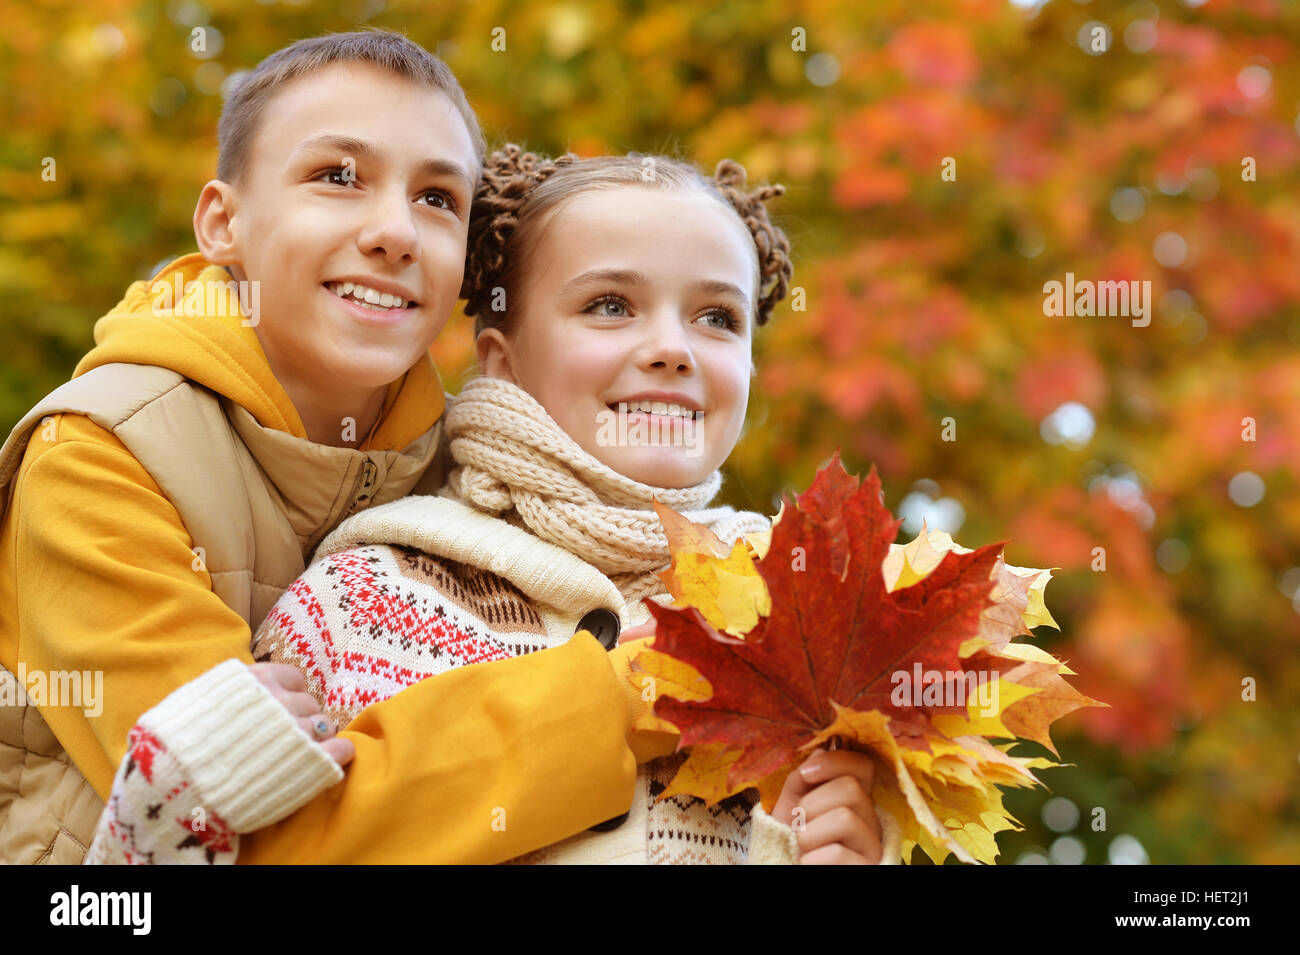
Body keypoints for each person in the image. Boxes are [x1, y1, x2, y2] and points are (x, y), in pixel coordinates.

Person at [86, 145, 904, 865]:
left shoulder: (814, 620)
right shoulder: (370, 599)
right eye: (610, 305)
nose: (672, 348)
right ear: (502, 361)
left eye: (717, 317)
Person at [0, 28, 488, 863]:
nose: (397, 231)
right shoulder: (96, 456)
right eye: (338, 177)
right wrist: (617, 704)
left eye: (439, 198)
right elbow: (259, 826)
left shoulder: (474, 473)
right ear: (223, 223)